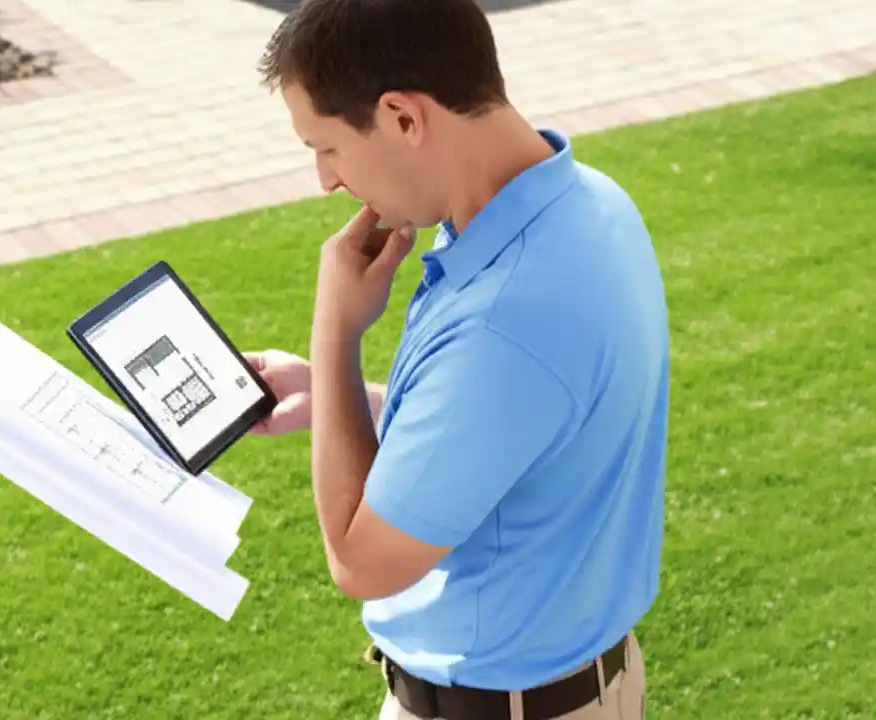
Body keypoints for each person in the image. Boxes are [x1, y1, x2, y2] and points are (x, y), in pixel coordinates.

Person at [243, 0, 669, 718]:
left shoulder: (505, 319)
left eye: (327, 146)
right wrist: (339, 396)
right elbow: (521, 427)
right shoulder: (588, 204)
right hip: (581, 685)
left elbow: (361, 561)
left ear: (404, 118)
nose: (325, 179)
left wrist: (335, 333)